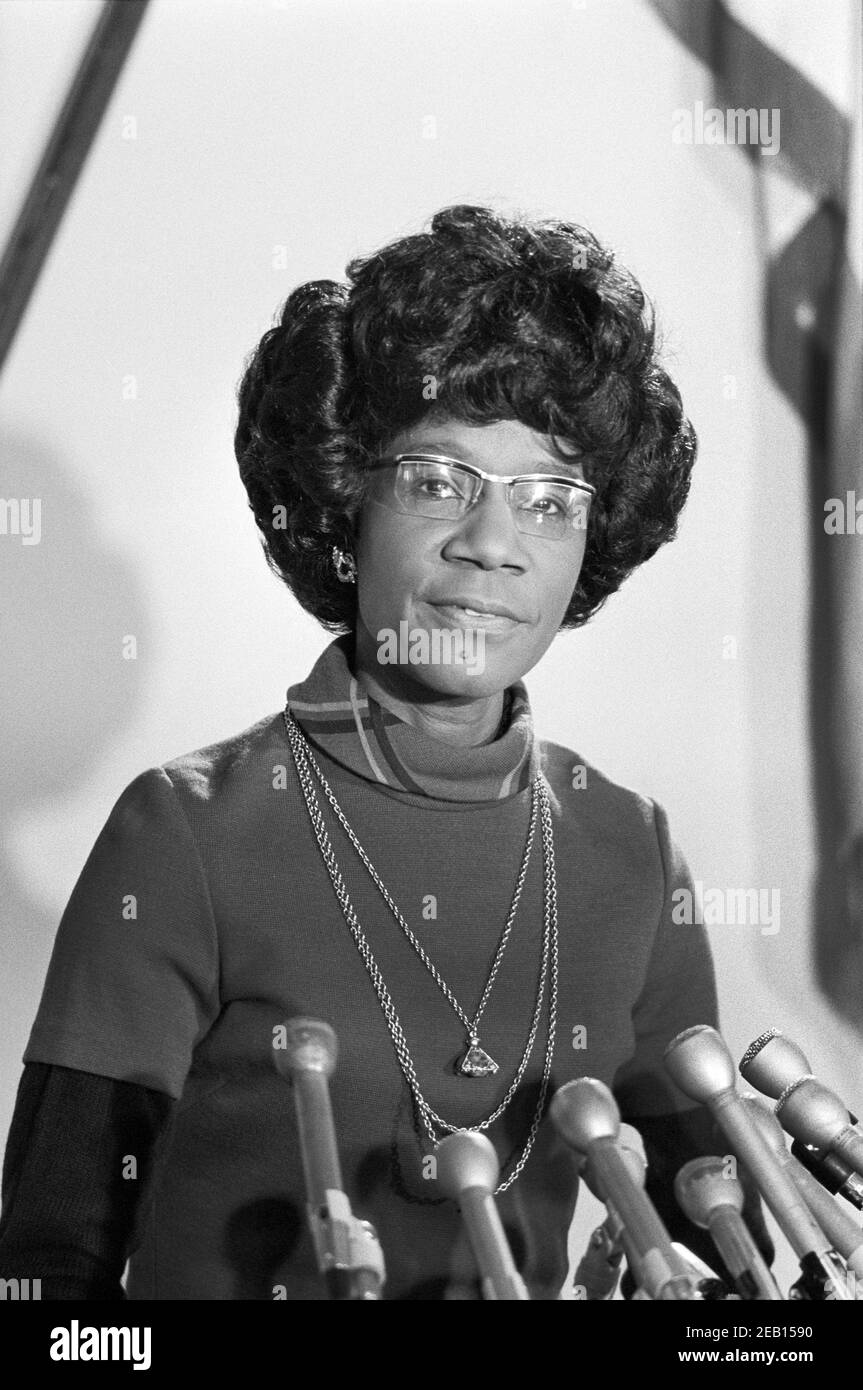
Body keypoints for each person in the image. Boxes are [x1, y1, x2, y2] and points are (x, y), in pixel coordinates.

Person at [0, 204, 769, 1300]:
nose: (492, 544)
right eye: (435, 480)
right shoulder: (184, 834)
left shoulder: (629, 854)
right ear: (342, 499)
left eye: (547, 499)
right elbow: (44, 1274)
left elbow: (721, 1250)